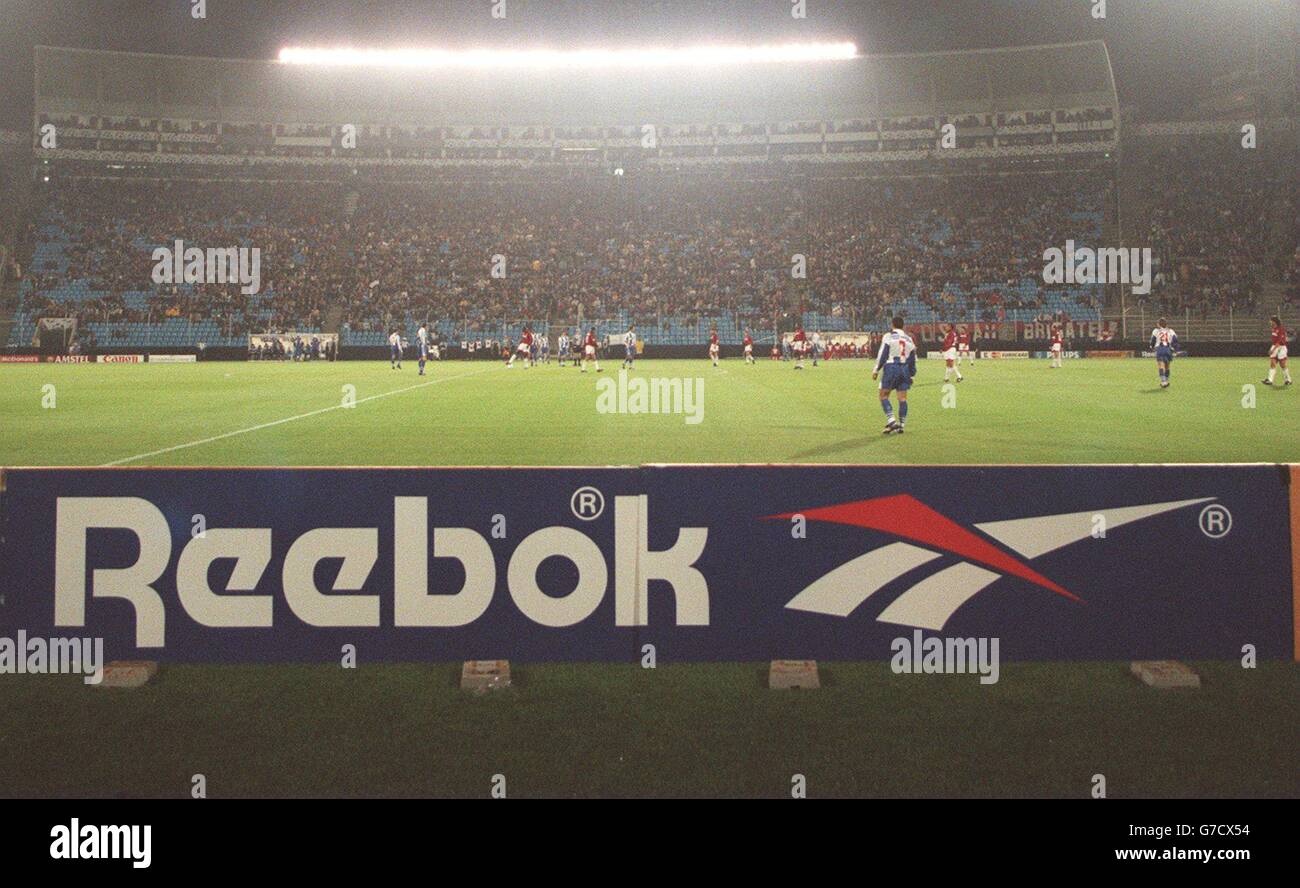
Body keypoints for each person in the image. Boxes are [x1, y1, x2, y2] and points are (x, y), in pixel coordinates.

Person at [872, 316, 917, 435]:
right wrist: (912, 375)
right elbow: (912, 359)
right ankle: (901, 425)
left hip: (892, 367)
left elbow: (883, 353)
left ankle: (892, 421)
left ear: (892, 325)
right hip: (904, 369)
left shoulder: (889, 336)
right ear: (903, 326)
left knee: (883, 396)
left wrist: (876, 369)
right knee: (902, 398)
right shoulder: (909, 339)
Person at [1263, 315, 1292, 386]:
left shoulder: (1281, 329)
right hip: (1275, 346)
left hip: (1281, 347)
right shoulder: (1273, 329)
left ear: (1274, 321)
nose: (1270, 322)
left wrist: (1273, 350)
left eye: (1271, 320)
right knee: (1272, 363)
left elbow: (1279, 342)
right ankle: (1270, 380)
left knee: (1282, 364)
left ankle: (1288, 380)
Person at [1150, 318, 1177, 388]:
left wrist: (1151, 347)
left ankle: (1163, 382)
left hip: (1160, 348)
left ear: (1159, 324)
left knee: (1161, 365)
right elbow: (1175, 340)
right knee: (1167, 366)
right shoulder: (1171, 331)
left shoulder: (1156, 331)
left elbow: (1153, 340)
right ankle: (1166, 381)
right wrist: (1174, 349)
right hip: (1168, 349)